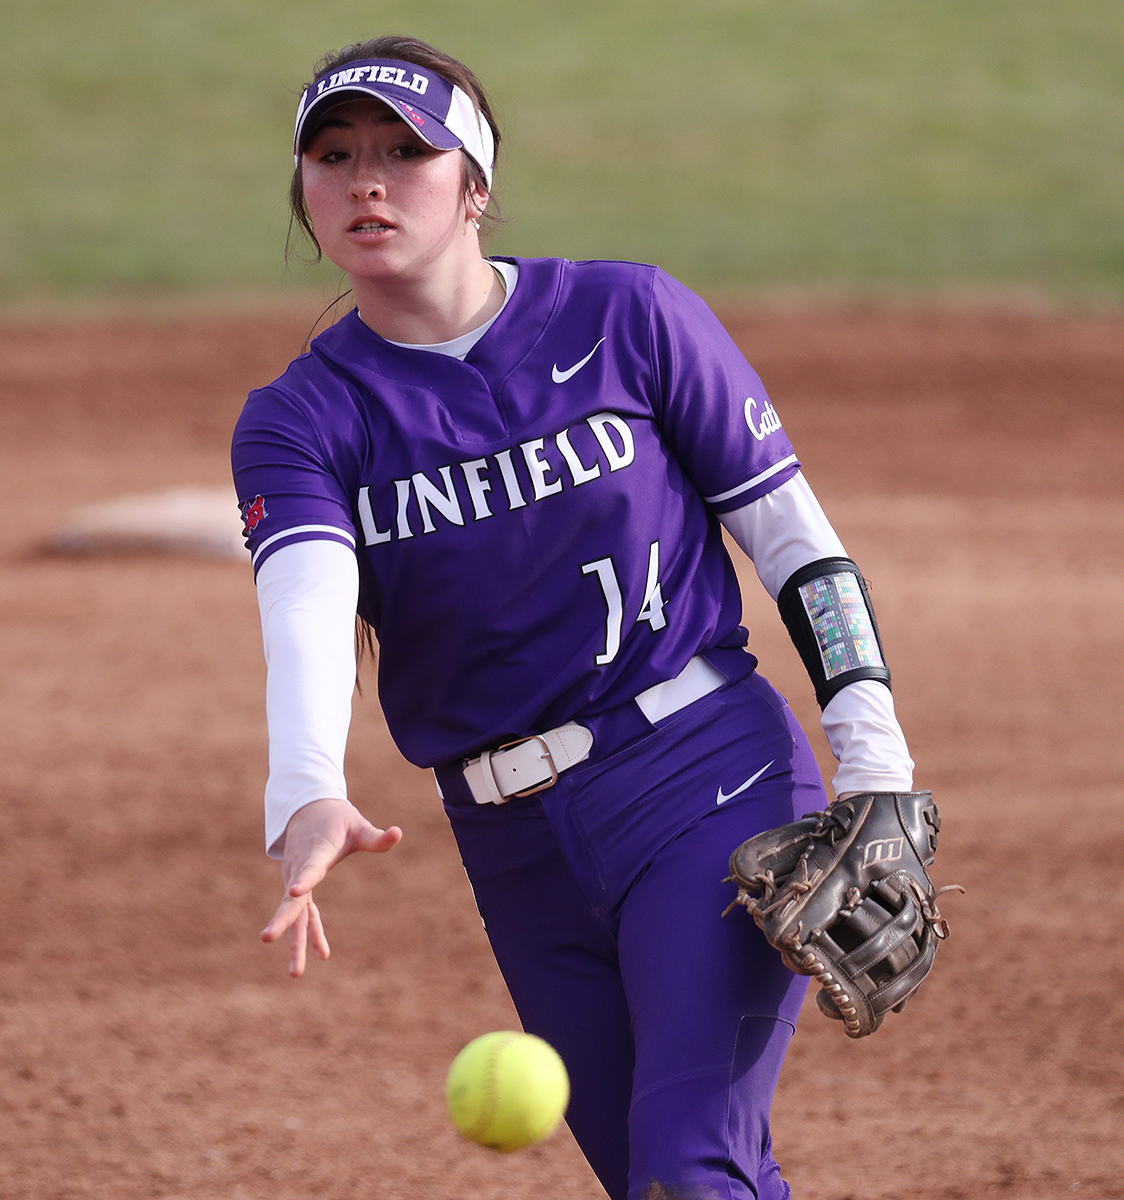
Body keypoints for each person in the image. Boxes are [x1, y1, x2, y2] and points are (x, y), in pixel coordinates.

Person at [232, 35, 918, 1200]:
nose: (367, 180)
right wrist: (304, 787)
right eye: (334, 155)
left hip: (708, 783)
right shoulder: (303, 417)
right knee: (676, 1179)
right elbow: (307, 602)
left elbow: (800, 550)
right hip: (516, 848)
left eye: (408, 152)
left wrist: (876, 752)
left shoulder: (630, 315)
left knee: (690, 1163)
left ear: (475, 186)